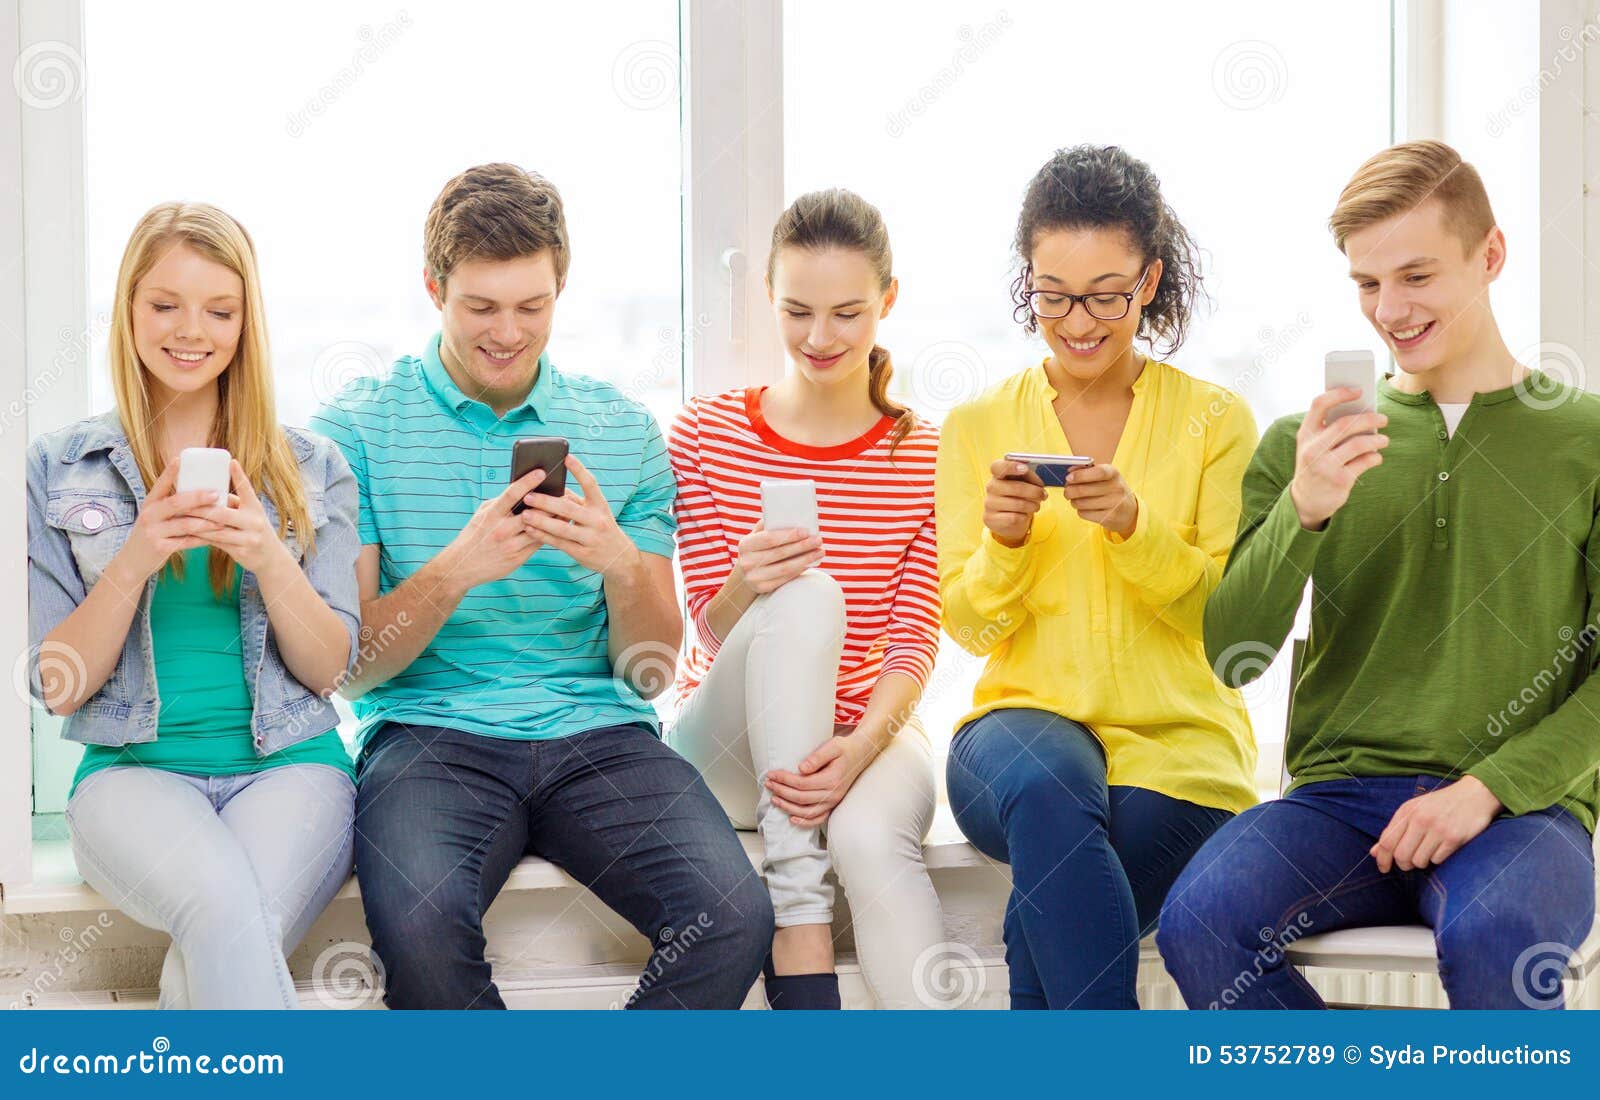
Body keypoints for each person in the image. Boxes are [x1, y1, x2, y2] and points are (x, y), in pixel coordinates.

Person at [309, 163, 772, 1010]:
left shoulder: (621, 429)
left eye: (532, 306)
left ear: (562, 286)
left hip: (600, 734)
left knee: (734, 915)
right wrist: (458, 568)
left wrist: (620, 564)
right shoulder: (356, 430)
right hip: (428, 735)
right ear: (433, 288)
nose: (507, 333)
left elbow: (649, 672)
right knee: (419, 931)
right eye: (480, 307)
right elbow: (354, 669)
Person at [1159, 140, 1599, 1010]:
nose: (1390, 310)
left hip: (1521, 811)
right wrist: (1305, 510)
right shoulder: (1303, 446)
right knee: (1200, 919)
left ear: (1491, 255)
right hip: (1337, 802)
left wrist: (1487, 789)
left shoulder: (1583, 441)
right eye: (1367, 283)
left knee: (1498, 935)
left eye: (1416, 276)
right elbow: (1234, 654)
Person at [935, 146, 1259, 1009]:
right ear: (1028, 284)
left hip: (1178, 755)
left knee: (1044, 925)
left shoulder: (1217, 421)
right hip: (1019, 735)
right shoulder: (976, 424)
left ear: (1149, 281)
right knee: (1049, 790)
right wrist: (1004, 544)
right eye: (1053, 294)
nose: (1077, 322)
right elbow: (967, 628)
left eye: (1105, 294)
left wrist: (1134, 527)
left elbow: (1230, 627)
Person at [27, 202, 361, 1009]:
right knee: (224, 917)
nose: (191, 331)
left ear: (247, 323)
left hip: (294, 767)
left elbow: (331, 670)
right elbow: (59, 685)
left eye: (220, 310)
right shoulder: (58, 467)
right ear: (128, 311)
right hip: (131, 777)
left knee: (214, 949)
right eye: (165, 304)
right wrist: (137, 555)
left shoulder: (314, 466)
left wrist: (268, 555)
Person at [668, 189, 945, 1009]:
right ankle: (800, 921)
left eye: (847, 313)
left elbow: (913, 641)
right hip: (725, 746)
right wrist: (748, 585)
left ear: (888, 301)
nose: (820, 338)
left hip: (863, 730)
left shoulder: (925, 455)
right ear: (768, 296)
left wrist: (857, 750)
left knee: (871, 841)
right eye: (797, 311)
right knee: (808, 594)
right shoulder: (705, 434)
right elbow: (706, 633)